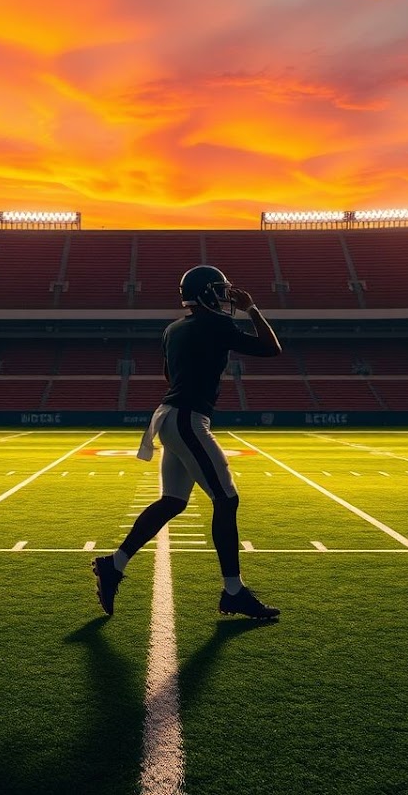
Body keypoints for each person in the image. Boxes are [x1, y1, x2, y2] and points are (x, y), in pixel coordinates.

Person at [92, 264, 283, 620]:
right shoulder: (217, 324)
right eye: (221, 291)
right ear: (207, 293)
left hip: (168, 414)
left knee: (172, 502)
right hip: (187, 418)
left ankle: (113, 565)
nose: (227, 297)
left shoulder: (174, 328)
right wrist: (252, 309)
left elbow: (169, 373)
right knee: (226, 499)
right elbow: (271, 349)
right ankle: (233, 591)